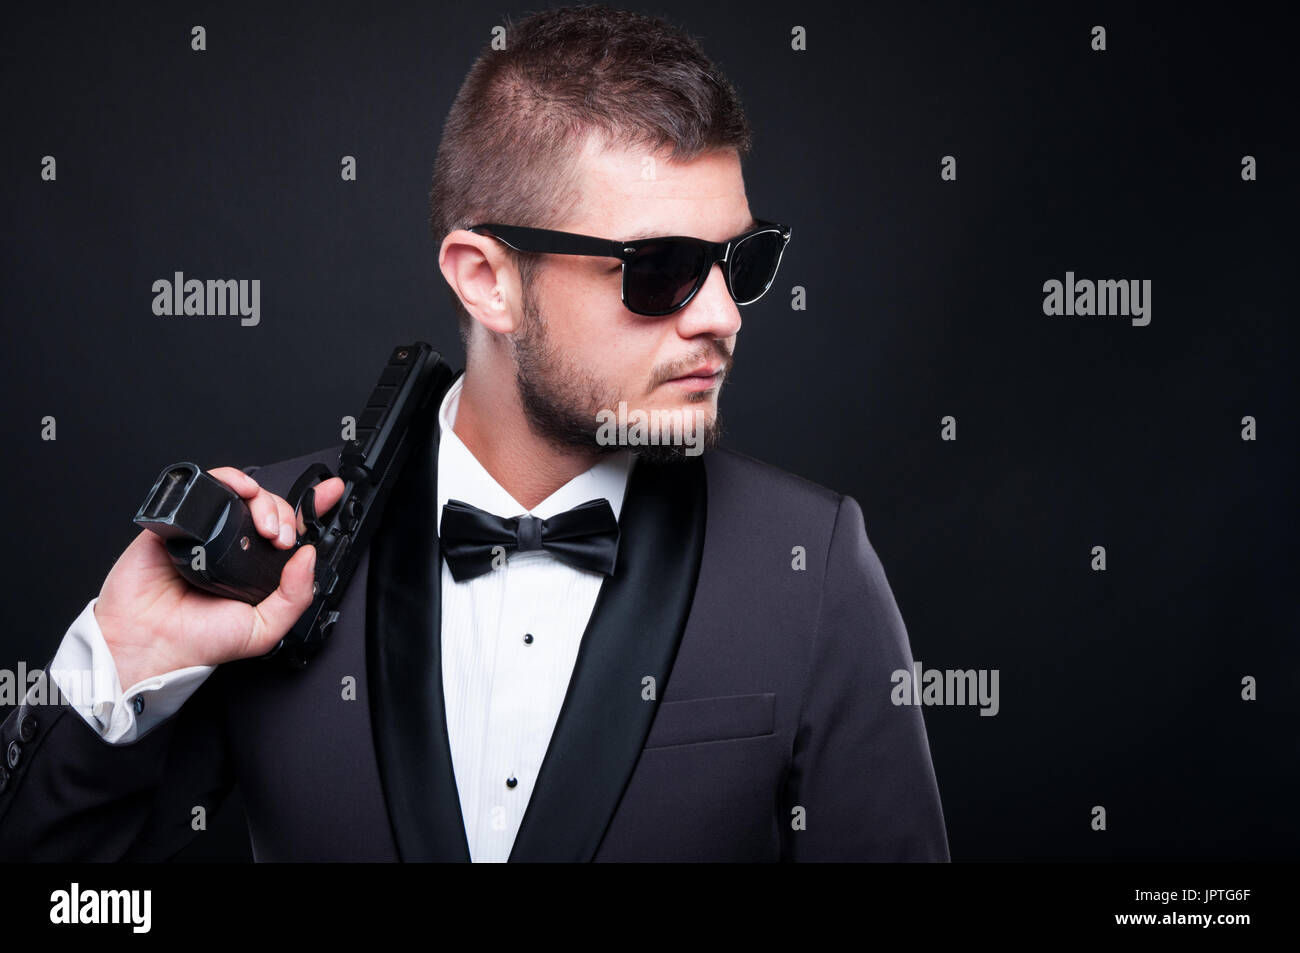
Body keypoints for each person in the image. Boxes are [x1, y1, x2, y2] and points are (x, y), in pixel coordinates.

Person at [0, 4, 949, 862]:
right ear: (486, 279)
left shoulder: (810, 563)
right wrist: (117, 668)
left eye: (744, 262)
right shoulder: (274, 555)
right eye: (660, 270)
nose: (722, 317)